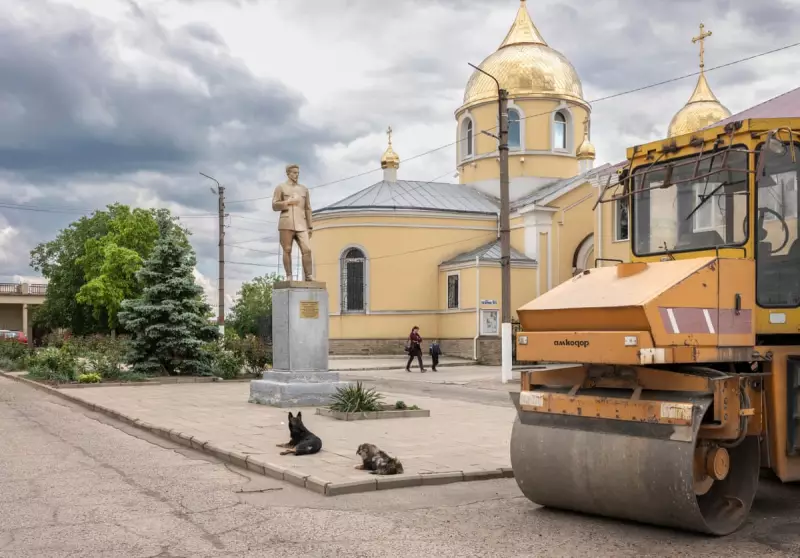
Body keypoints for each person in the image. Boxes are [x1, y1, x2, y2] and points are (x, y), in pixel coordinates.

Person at [272, 164, 314, 281]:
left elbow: (307, 208)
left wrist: (310, 226)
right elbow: (274, 205)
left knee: (307, 250)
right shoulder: (281, 187)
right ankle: (289, 275)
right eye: (294, 173)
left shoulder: (304, 189)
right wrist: (288, 202)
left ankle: (309, 275)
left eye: (298, 173)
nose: (296, 175)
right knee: (287, 249)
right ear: (288, 173)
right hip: (286, 222)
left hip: (302, 224)